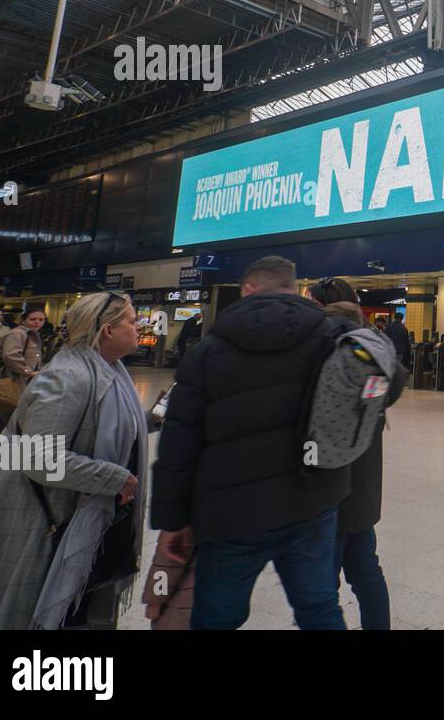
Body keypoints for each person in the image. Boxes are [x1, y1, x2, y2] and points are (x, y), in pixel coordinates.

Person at [150, 256, 354, 631]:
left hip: (231, 512)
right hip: (311, 503)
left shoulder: (207, 351)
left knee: (216, 617)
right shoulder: (330, 338)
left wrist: (173, 519)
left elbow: (178, 442)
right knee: (319, 608)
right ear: (295, 288)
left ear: (247, 290)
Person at [0, 292, 148, 629]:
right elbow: (41, 458)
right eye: (133, 321)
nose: (140, 326)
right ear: (107, 330)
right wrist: (115, 478)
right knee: (34, 609)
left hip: (70, 513)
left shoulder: (109, 372)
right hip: (36, 516)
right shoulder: (68, 377)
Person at [305, 278, 393, 632]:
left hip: (328, 480)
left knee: (322, 582)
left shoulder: (324, 346)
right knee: (366, 570)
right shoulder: (375, 344)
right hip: (364, 476)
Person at [0, 309, 45, 434]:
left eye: (41, 320)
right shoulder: (17, 334)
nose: (37, 322)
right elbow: (10, 356)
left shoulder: (33, 335)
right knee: (13, 425)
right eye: (33, 319)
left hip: (19, 385)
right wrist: (28, 372)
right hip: (9, 383)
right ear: (23, 320)